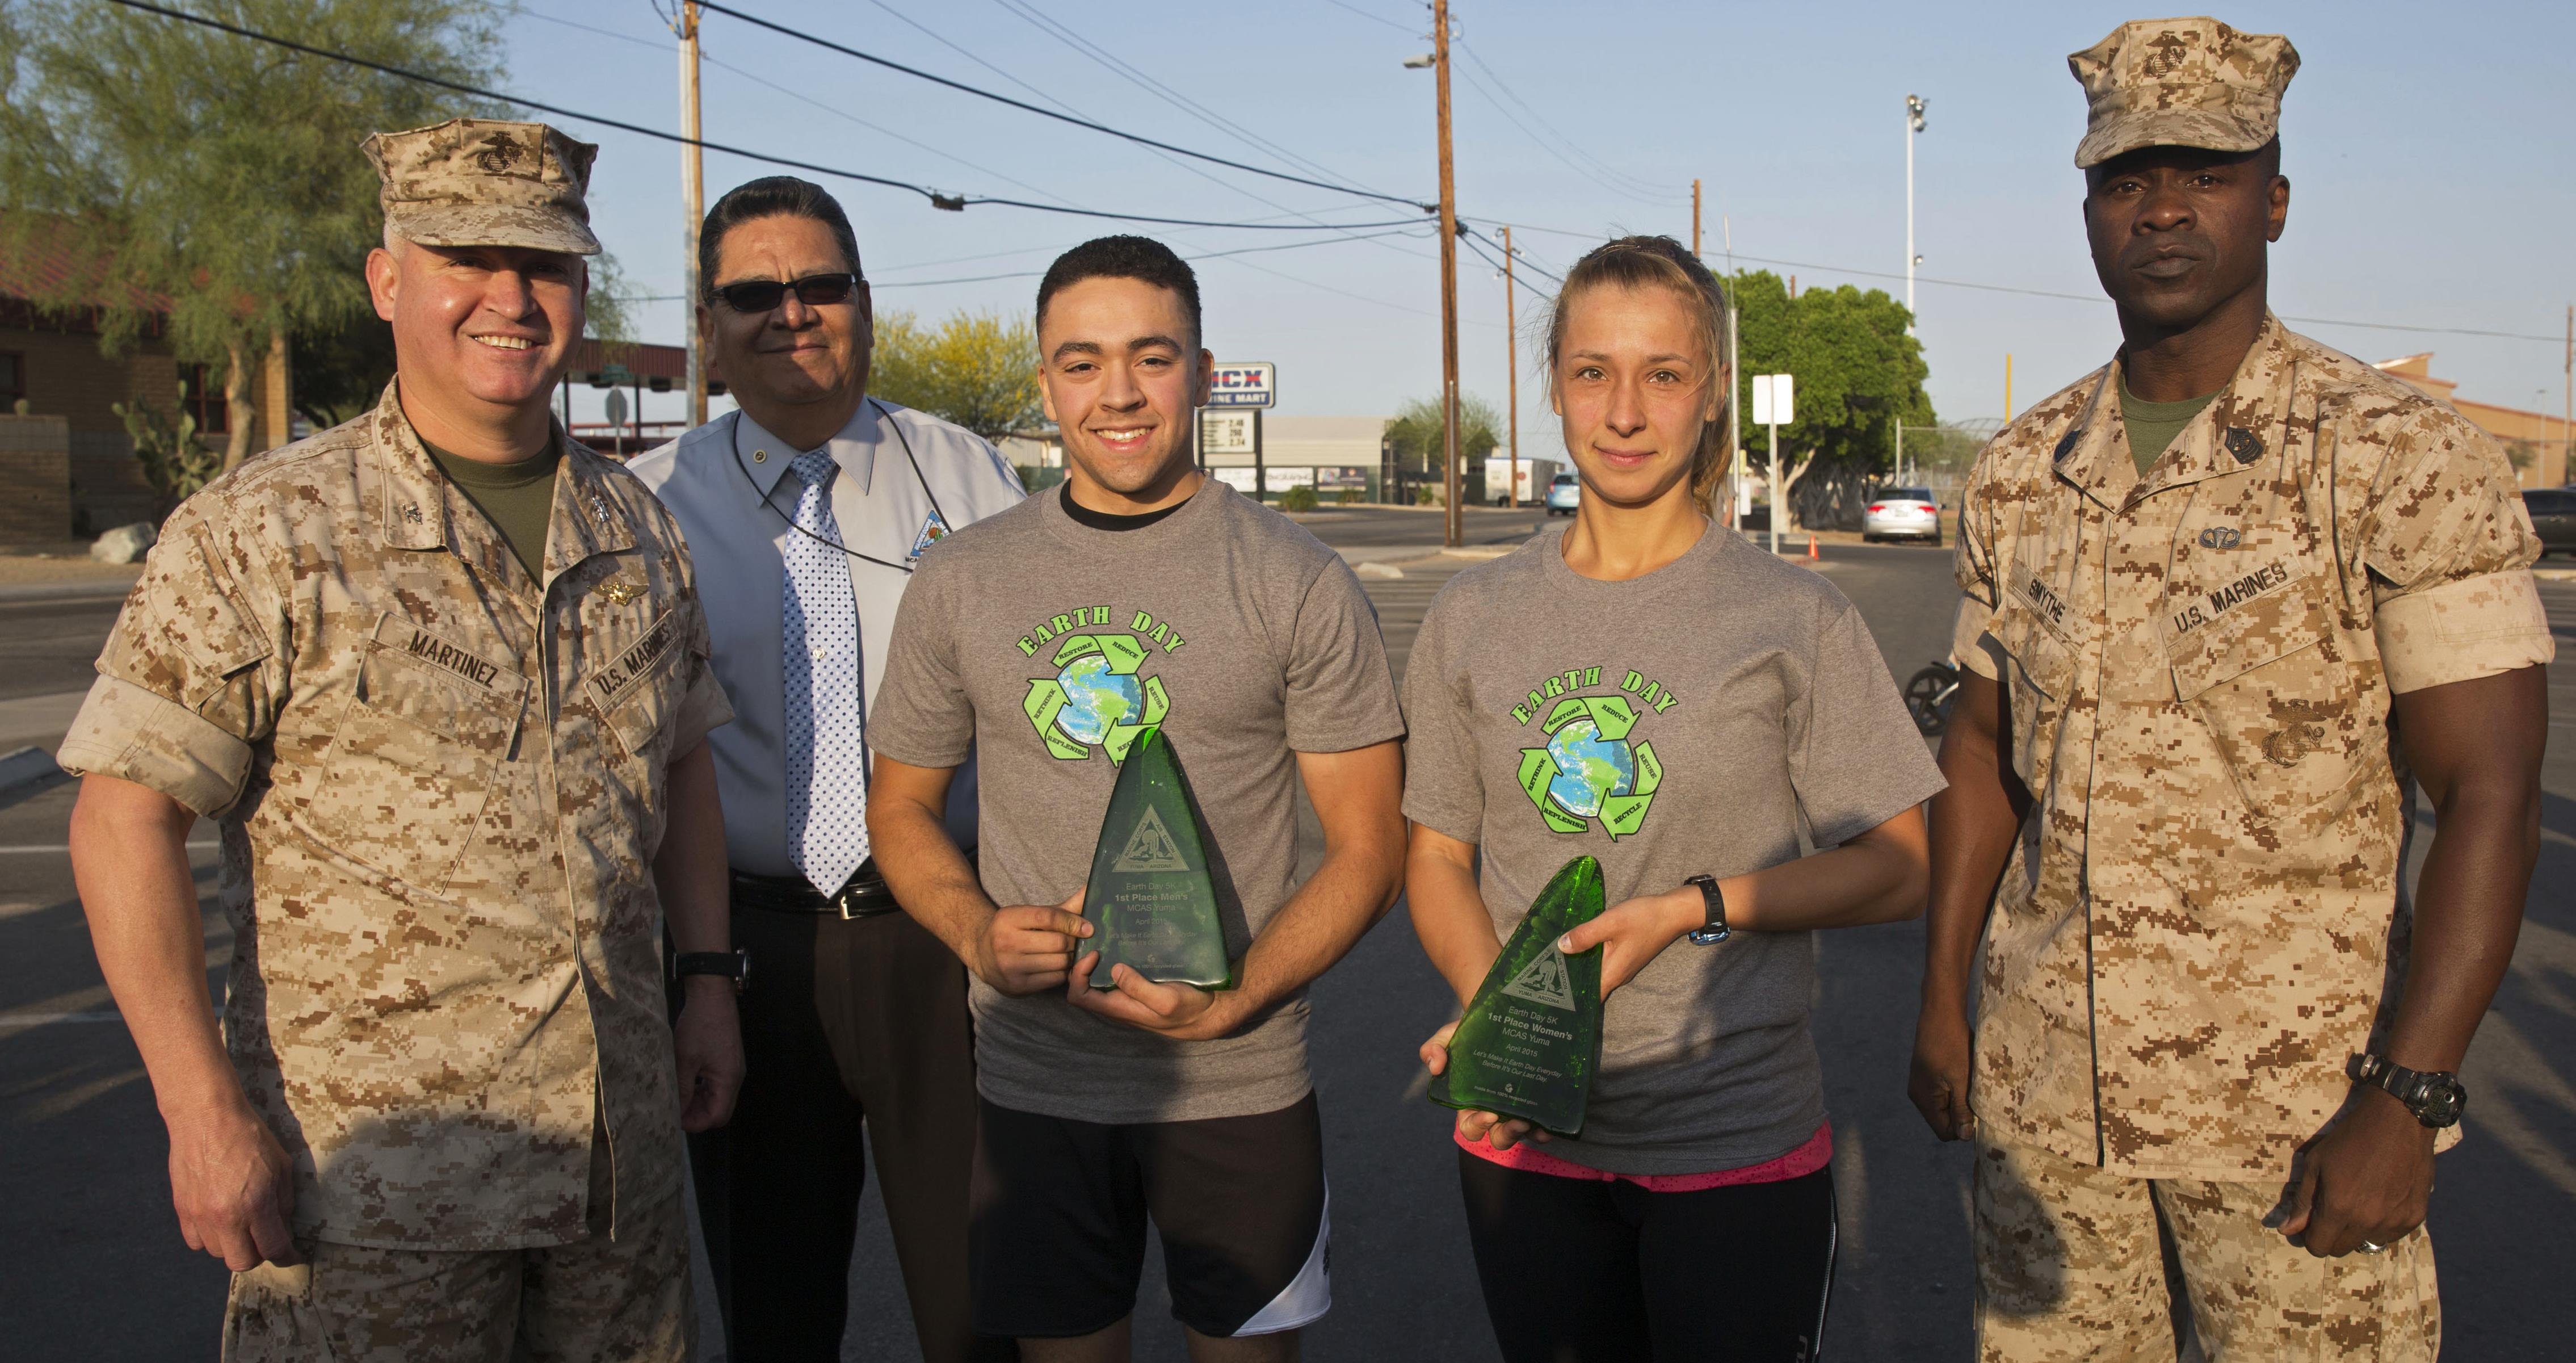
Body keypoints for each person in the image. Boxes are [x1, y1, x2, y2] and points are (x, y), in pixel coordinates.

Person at [1907, 18, 2551, 1360]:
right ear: (2084, 208)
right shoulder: (2022, 470)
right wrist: (1940, 996)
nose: (2159, 209)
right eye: (2124, 177)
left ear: (2271, 200)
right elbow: (1981, 747)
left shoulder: (2392, 455)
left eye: (2201, 172)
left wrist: (2409, 1093)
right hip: (2047, 1103)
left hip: (2295, 1115)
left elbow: (2486, 791)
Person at [59, 118, 741, 1361]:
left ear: (581, 289)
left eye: (542, 264)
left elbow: (683, 760)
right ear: (387, 280)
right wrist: (198, 1107)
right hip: (372, 1195)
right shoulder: (262, 531)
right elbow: (123, 817)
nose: (509, 297)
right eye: (462, 257)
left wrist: (707, 987)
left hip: (612, 1173)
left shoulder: (635, 528)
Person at [864, 235, 1407, 1361]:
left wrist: (1235, 995)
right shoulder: (962, 579)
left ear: (1202, 371)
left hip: (1239, 1080)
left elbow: (1368, 848)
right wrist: (974, 929)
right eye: (1080, 361)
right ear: (1044, 381)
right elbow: (899, 805)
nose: (1115, 393)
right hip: (1033, 1081)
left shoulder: (1294, 578)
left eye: (1150, 357)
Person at [1403, 234, 1944, 1362]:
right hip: (1525, 1140)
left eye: (1663, 373)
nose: (1624, 409)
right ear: (1551, 386)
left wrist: (1689, 906)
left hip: (1732, 1132)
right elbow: (1437, 859)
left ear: (1711, 399)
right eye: (1593, 370)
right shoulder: (1472, 617)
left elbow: (1898, 865)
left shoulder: (1790, 616)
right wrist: (1509, 1029)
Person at [629, 176, 1024, 1363]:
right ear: (708, 325)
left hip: (935, 939)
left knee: (982, 1304)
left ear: (864, 301)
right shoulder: (644, 508)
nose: (788, 311)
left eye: (818, 285)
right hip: (738, 960)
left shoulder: (968, 482)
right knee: (776, 1311)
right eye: (752, 292)